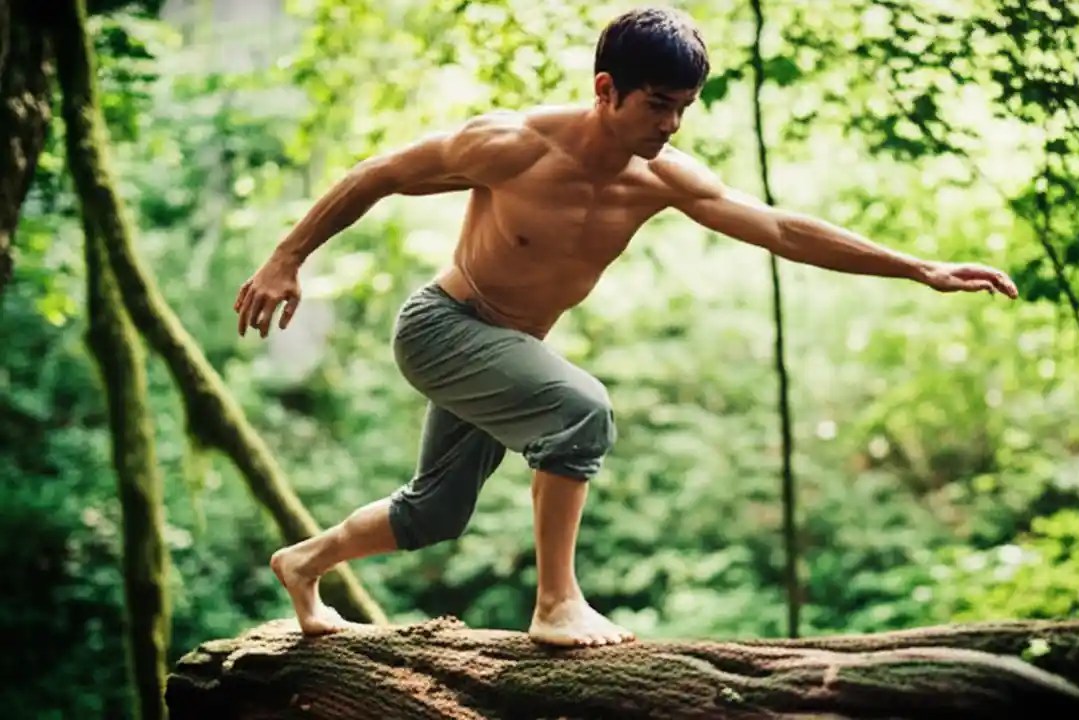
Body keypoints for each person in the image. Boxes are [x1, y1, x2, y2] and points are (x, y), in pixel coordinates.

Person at [234, 6, 1018, 647]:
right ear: (606, 89)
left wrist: (920, 267)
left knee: (434, 513)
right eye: (657, 104)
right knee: (581, 411)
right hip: (443, 327)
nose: (672, 125)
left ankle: (304, 563)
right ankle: (555, 604)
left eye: (683, 107)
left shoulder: (662, 178)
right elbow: (379, 175)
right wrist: (286, 258)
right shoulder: (510, 144)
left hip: (509, 348)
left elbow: (781, 229)